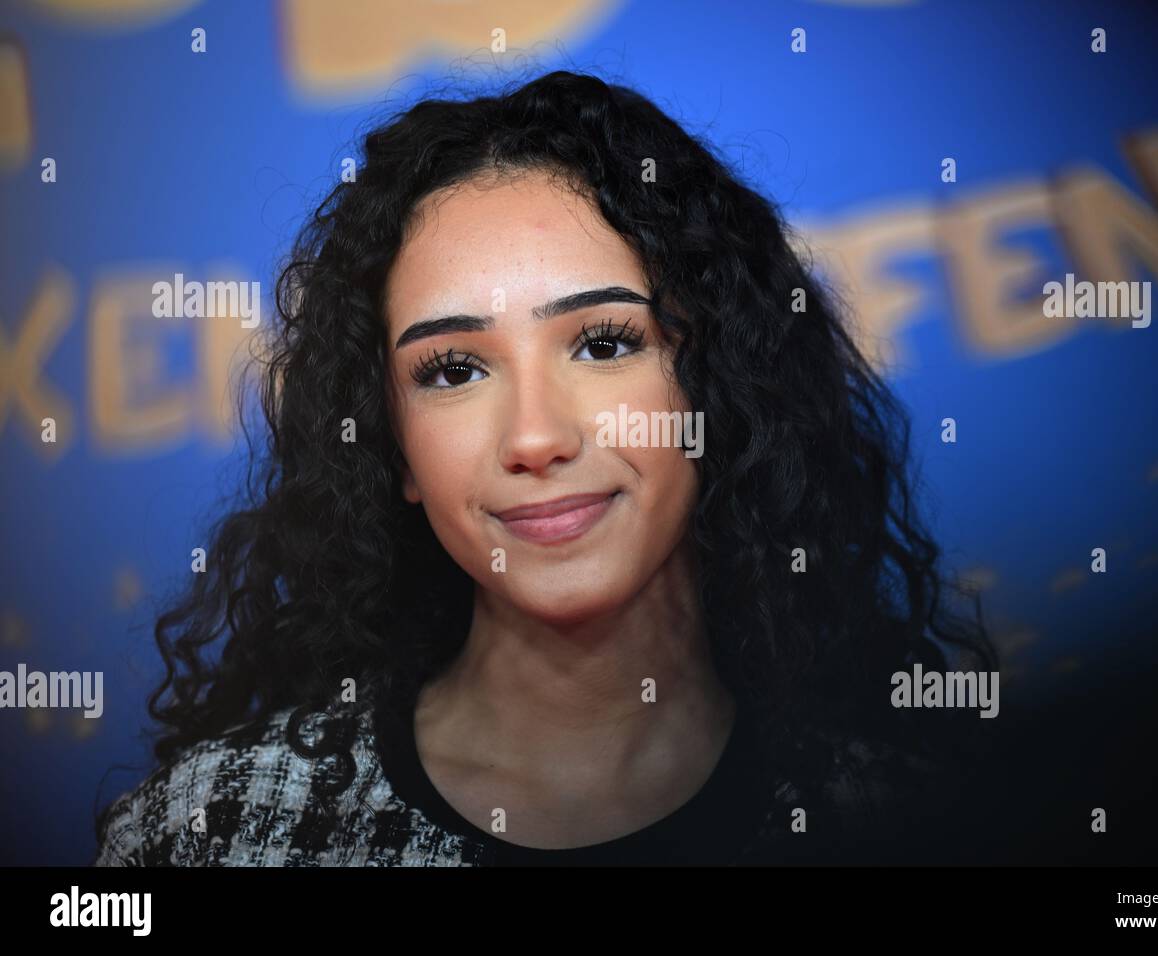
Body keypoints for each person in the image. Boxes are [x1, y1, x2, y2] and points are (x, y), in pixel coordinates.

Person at [92, 69, 995, 867]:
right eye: (453, 370)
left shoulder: (903, 819)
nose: (534, 436)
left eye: (603, 344)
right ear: (393, 448)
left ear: (717, 393)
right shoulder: (217, 833)